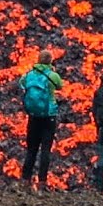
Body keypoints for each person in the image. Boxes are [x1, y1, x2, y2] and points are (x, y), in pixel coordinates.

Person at [19, 50, 63, 189]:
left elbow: (21, 84)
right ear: (50, 61)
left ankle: (25, 180)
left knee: (31, 149)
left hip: (33, 115)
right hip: (49, 115)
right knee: (45, 149)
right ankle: (42, 181)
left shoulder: (29, 75)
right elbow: (60, 86)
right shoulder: (52, 75)